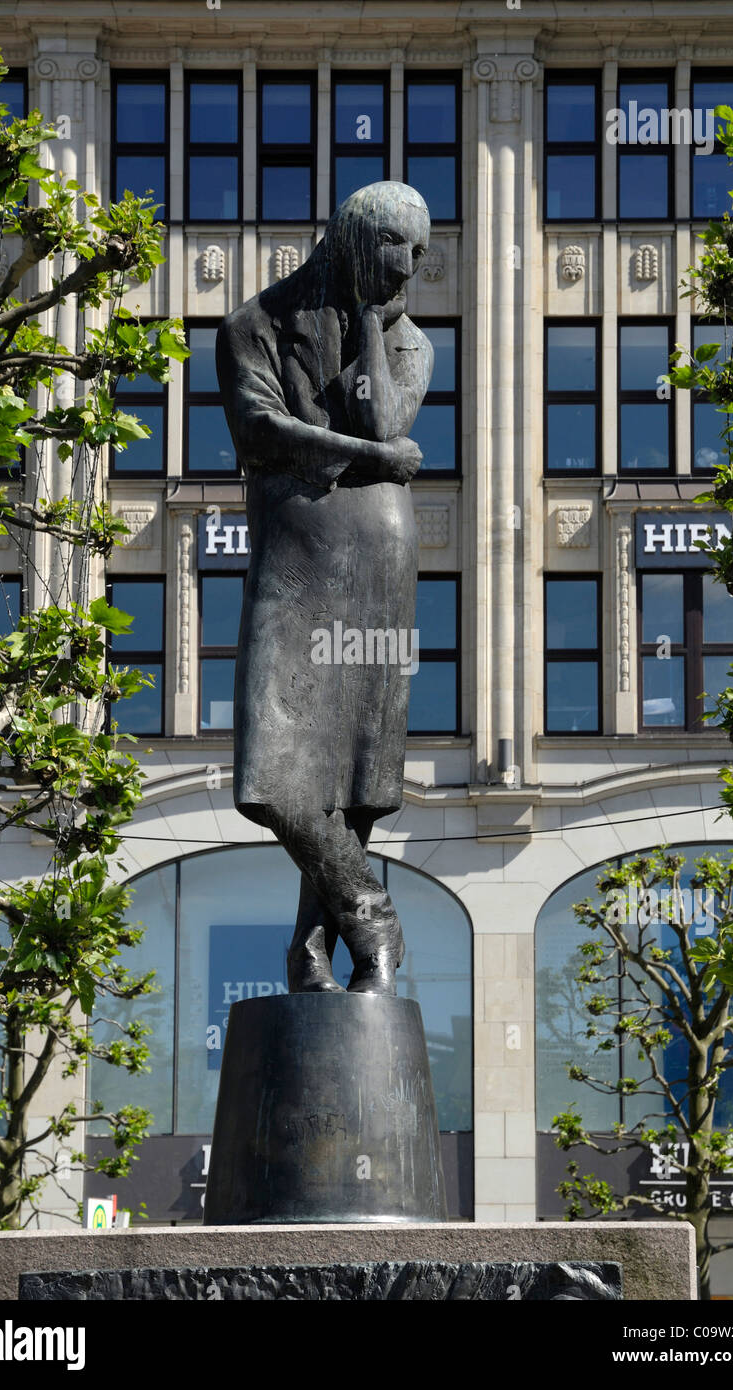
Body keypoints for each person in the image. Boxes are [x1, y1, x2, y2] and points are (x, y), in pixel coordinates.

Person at [216, 182, 433, 996]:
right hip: (297, 556)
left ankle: (311, 952)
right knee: (273, 776)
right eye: (396, 248)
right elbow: (259, 429)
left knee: (355, 781)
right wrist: (376, 459)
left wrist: (372, 326)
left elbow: (381, 422)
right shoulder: (253, 325)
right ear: (352, 240)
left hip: (379, 554)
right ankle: (369, 911)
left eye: (419, 251)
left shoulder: (410, 342)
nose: (411, 268)